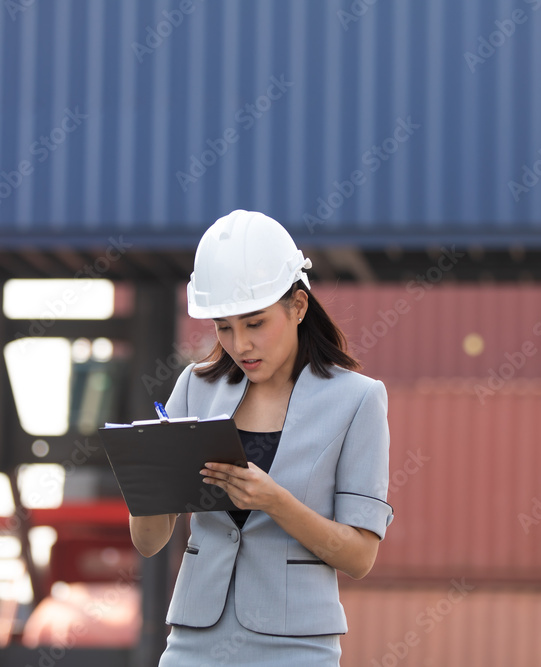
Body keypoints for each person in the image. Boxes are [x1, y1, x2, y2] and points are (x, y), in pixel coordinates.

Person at [129, 209, 394, 666]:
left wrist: (275, 501)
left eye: (254, 324)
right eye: (223, 328)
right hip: (194, 643)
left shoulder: (358, 400)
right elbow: (148, 542)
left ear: (297, 306)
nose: (240, 344)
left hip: (296, 648)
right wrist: (151, 478)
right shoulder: (196, 386)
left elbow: (359, 557)